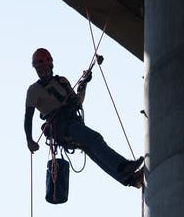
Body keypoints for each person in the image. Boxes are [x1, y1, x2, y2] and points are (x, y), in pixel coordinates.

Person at [24, 48, 144, 188]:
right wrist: (29, 140)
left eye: (45, 68)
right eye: (39, 69)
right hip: (62, 128)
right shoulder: (34, 90)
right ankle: (123, 166)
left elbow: (77, 102)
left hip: (73, 123)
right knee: (95, 139)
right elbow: (28, 116)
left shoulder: (62, 82)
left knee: (93, 150)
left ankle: (130, 179)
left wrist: (84, 84)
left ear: (51, 66)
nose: (42, 72)